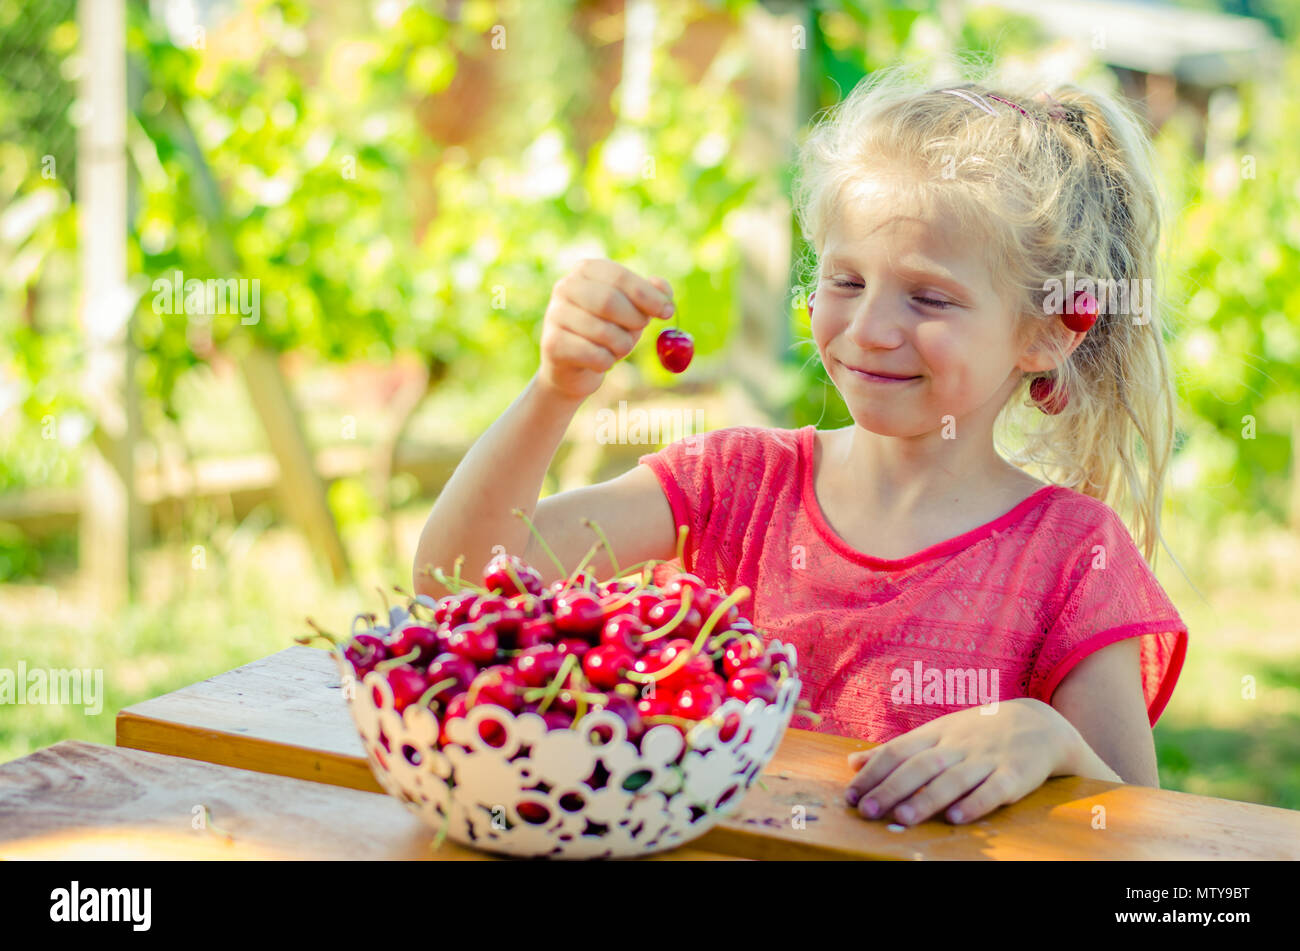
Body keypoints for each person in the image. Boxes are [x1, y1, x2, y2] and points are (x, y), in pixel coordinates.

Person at [413, 68, 1187, 829]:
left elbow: (1138, 837)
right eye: (847, 279)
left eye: (929, 296)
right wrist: (556, 388)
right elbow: (457, 585)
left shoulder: (1072, 556)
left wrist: (1053, 742)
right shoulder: (733, 485)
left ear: (1048, 328)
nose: (869, 328)